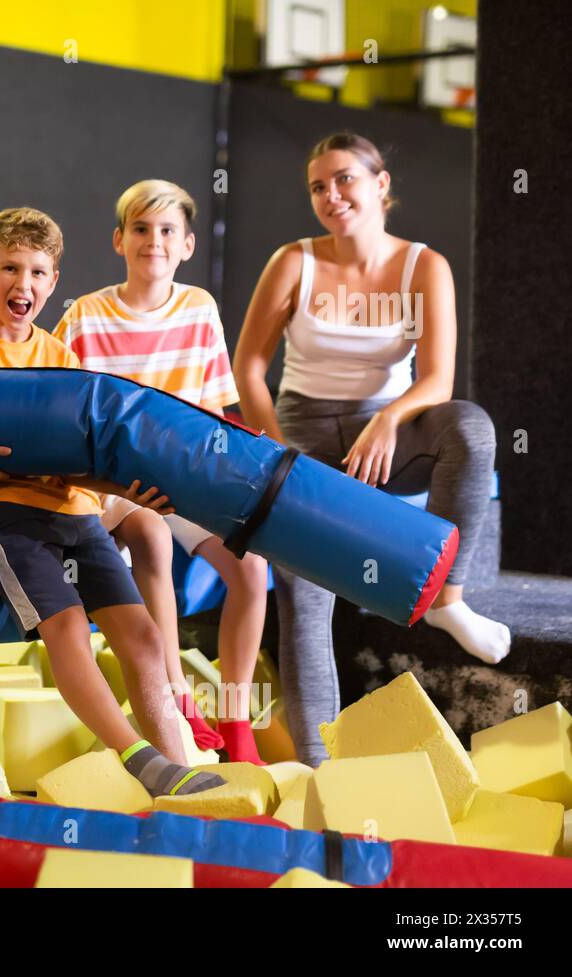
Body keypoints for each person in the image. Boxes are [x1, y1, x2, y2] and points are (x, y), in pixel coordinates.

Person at [233, 131, 505, 766]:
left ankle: (446, 599)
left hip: (386, 441)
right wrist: (276, 454)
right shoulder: (293, 261)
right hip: (302, 442)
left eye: (345, 179)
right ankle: (316, 771)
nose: (332, 195)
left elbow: (437, 377)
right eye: (318, 186)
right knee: (302, 598)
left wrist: (388, 418)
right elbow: (248, 366)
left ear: (380, 185)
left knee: (470, 427)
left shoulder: (422, 266)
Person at [0, 207, 224, 796]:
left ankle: (178, 771)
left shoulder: (62, 358)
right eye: (9, 269)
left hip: (77, 513)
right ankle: (136, 755)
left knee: (145, 636)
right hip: (6, 509)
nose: (22, 285)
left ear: (52, 284)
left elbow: (81, 459)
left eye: (37, 273)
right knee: (69, 627)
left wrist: (128, 492)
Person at [56, 179, 269, 765]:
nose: (154, 241)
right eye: (142, 230)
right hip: (113, 484)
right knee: (149, 537)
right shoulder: (86, 315)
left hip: (186, 480)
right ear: (119, 240)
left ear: (188, 244)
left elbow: (217, 412)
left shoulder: (199, 309)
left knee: (252, 570)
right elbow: (61, 404)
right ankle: (177, 692)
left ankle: (236, 722)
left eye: (167, 230)